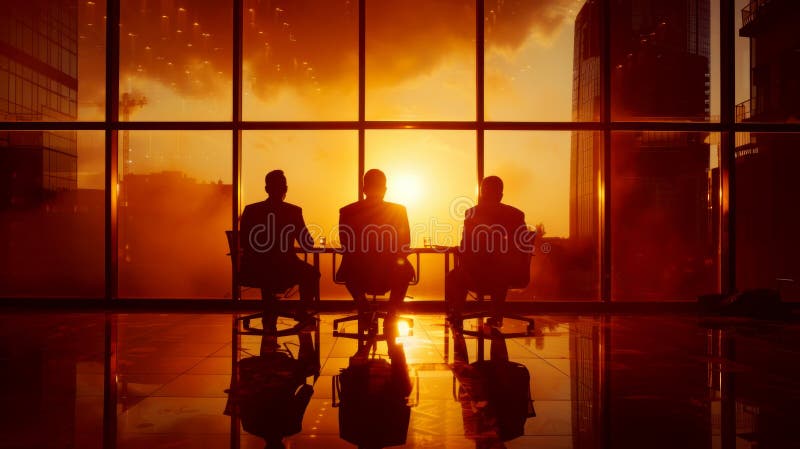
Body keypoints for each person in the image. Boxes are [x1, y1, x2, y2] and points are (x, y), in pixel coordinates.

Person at [445, 176, 531, 328]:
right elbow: (522, 246)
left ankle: (456, 313)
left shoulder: (472, 213)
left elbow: (466, 246)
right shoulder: (517, 215)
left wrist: (459, 251)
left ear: (482, 194)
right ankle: (497, 315)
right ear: (501, 195)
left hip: (478, 274)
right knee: (500, 271)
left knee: (454, 276)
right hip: (510, 274)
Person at [240, 170, 319, 331]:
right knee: (312, 274)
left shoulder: (251, 210)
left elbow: (243, 243)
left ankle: (270, 312)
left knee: (269, 275)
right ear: (286, 189)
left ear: (266, 189)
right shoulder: (293, 212)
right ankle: (302, 311)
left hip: (256, 269)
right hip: (286, 268)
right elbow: (307, 243)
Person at [337, 169, 415, 326]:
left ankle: (362, 304)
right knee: (405, 269)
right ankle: (392, 312)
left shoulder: (347, 211)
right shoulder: (398, 211)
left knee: (348, 266)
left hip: (357, 272)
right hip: (390, 272)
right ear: (385, 190)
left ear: (364, 189)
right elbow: (405, 243)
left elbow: (345, 243)